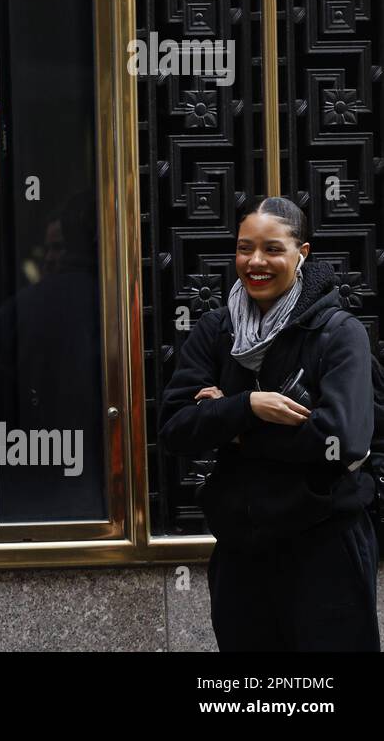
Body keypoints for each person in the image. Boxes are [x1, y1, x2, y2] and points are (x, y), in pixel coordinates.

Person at [159, 196, 379, 651]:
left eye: (273, 249)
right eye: (244, 248)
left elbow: (342, 439)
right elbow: (176, 427)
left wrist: (233, 428)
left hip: (324, 548)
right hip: (242, 553)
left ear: (302, 254)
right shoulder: (216, 330)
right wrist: (249, 406)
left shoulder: (339, 334)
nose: (255, 262)